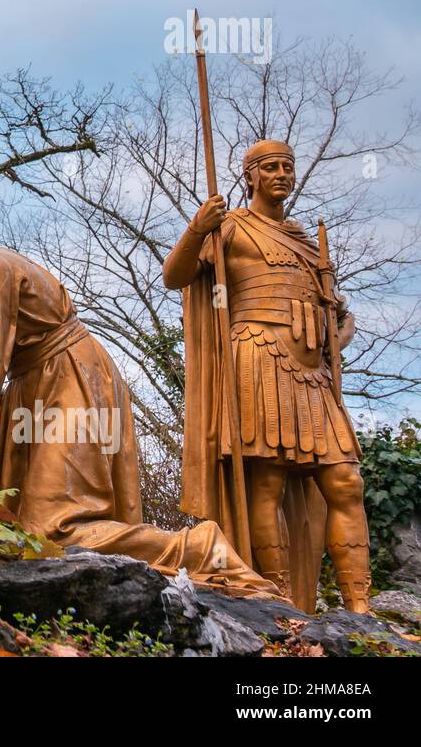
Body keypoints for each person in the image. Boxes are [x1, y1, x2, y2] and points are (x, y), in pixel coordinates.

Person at [0, 188, 275, 595]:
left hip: (73, 378)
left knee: (54, 528)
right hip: (29, 392)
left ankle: (201, 550)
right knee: (18, 528)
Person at [163, 139, 370, 611]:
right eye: (271, 167)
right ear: (250, 175)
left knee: (345, 482)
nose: (281, 174)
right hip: (258, 355)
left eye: (287, 167)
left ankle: (360, 606)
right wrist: (198, 228)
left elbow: (335, 317)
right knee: (268, 481)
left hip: (312, 372)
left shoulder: (304, 241)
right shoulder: (231, 226)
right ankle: (274, 596)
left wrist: (337, 326)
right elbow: (175, 276)